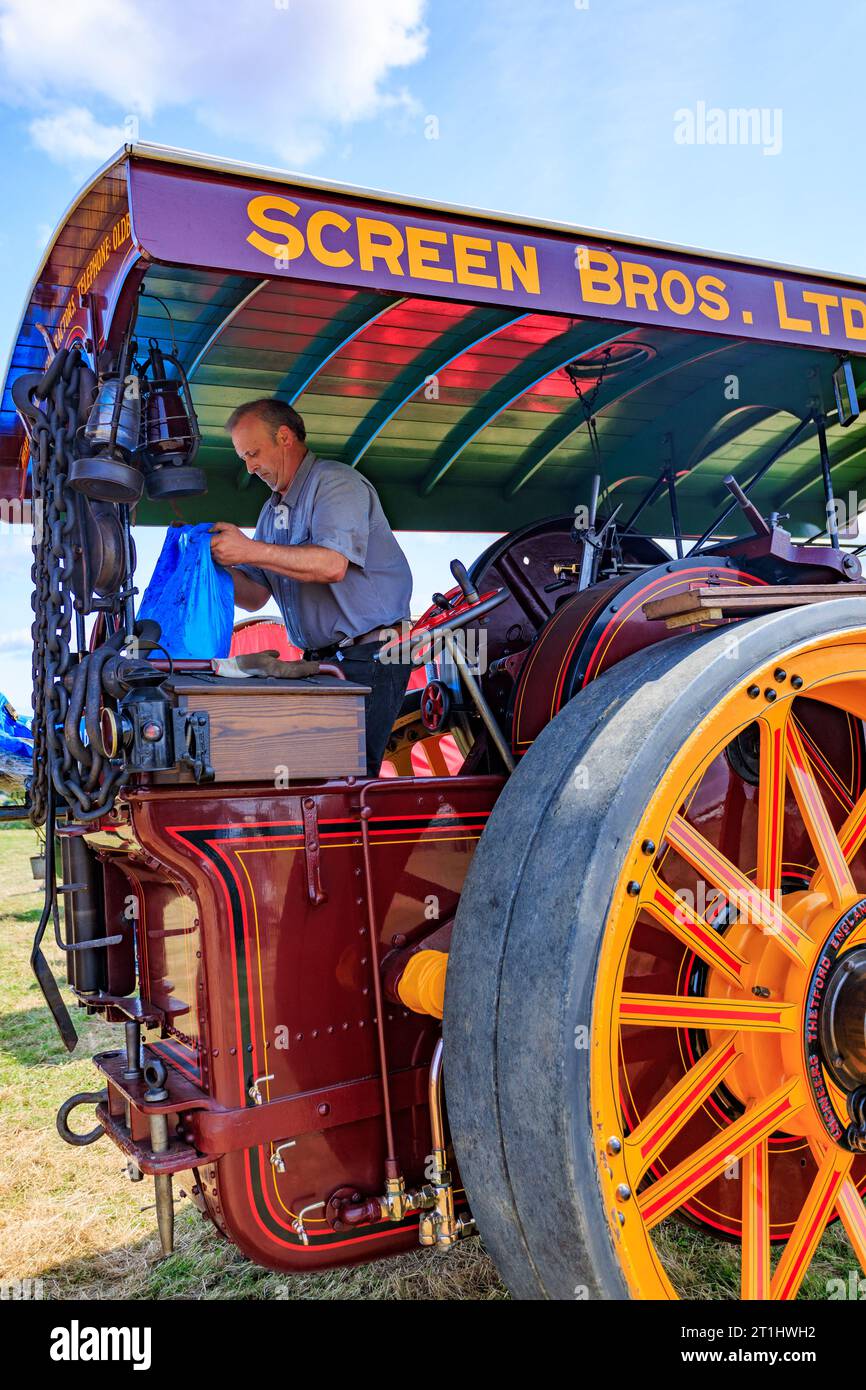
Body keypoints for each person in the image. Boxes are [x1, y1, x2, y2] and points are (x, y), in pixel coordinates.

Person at [210, 398, 413, 776]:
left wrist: (249, 549)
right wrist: (212, 565)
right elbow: (255, 597)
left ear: (284, 437)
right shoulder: (271, 513)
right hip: (323, 662)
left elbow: (332, 564)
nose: (250, 467)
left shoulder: (336, 483)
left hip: (371, 655)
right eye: (244, 458)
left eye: (253, 453)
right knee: (321, 774)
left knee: (347, 778)